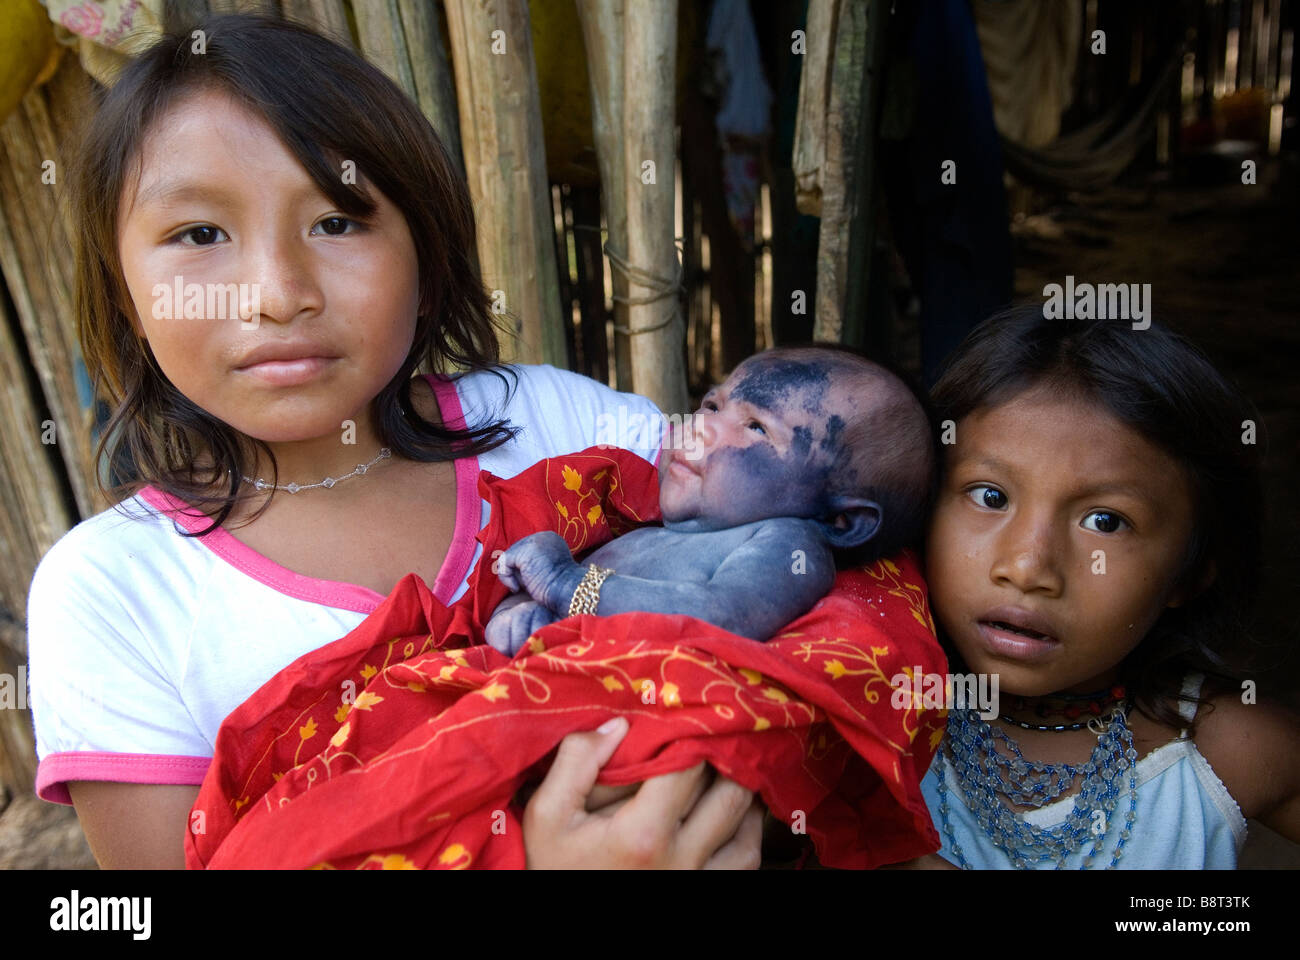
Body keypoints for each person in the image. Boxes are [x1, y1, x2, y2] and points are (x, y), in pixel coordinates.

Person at [25, 12, 762, 870]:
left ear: (427, 256)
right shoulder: (116, 595)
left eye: (338, 221)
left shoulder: (558, 427)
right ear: (123, 296)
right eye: (199, 235)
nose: (278, 293)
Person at [916, 308, 1299, 868]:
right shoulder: (858, 720)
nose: (1027, 568)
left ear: (1189, 574)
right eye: (989, 496)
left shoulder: (1226, 753)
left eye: (1105, 522)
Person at [487, 346, 934, 655]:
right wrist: (517, 612)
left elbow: (720, 619)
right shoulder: (645, 524)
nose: (701, 424)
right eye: (714, 404)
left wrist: (564, 583)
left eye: (757, 426)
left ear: (841, 519)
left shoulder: (788, 542)